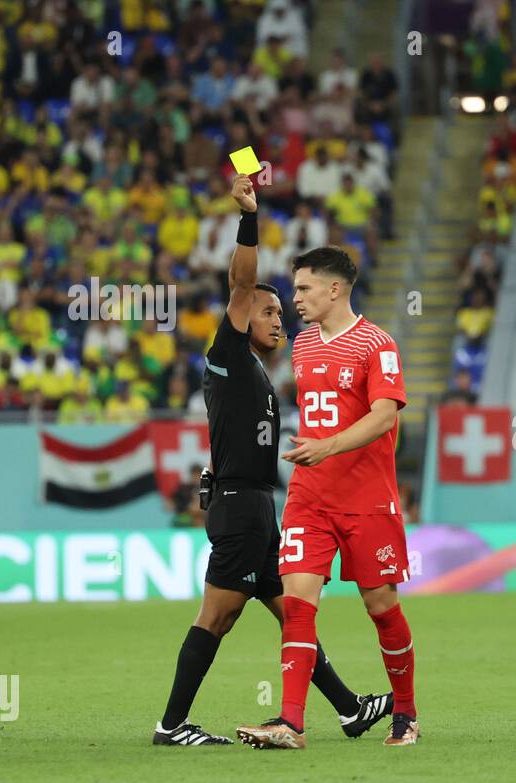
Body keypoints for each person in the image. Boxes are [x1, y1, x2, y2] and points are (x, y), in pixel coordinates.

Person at [154, 177, 391, 748]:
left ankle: (350, 707)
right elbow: (240, 282)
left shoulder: (259, 371)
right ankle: (171, 725)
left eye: (282, 310)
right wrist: (249, 218)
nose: (279, 318)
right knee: (216, 618)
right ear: (243, 319)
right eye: (268, 311)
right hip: (240, 508)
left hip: (258, 508)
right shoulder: (231, 355)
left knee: (293, 614)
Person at [237, 244, 417, 749]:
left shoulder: (376, 345)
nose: (295, 298)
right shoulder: (302, 345)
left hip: (366, 499)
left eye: (303, 288)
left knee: (381, 606)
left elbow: (384, 415)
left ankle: (405, 712)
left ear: (334, 289)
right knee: (296, 604)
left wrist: (329, 446)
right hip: (309, 498)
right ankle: (291, 723)